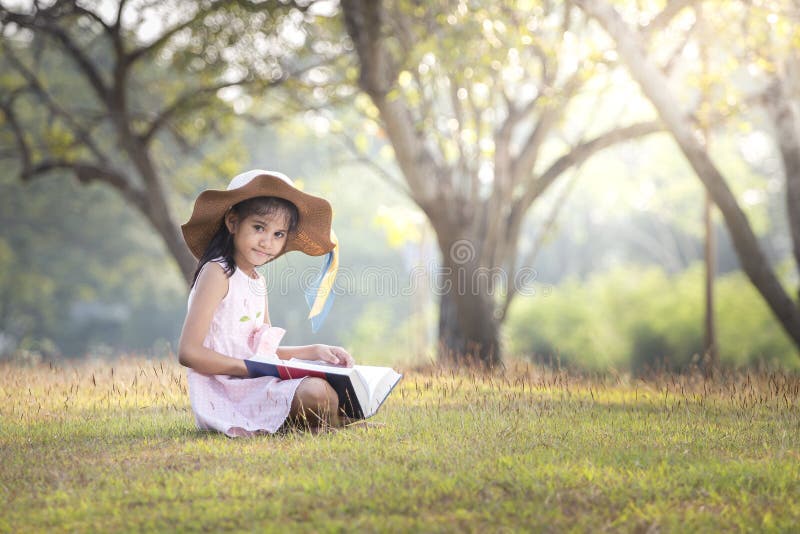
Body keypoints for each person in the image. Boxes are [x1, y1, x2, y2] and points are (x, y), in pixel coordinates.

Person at [178, 169, 354, 436]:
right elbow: (189, 353)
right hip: (228, 391)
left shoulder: (257, 281)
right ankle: (326, 423)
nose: (267, 242)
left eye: (278, 234)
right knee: (316, 394)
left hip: (254, 381)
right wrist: (249, 368)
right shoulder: (218, 273)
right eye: (259, 227)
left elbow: (264, 353)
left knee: (328, 386)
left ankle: (330, 422)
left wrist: (315, 351)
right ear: (233, 222)